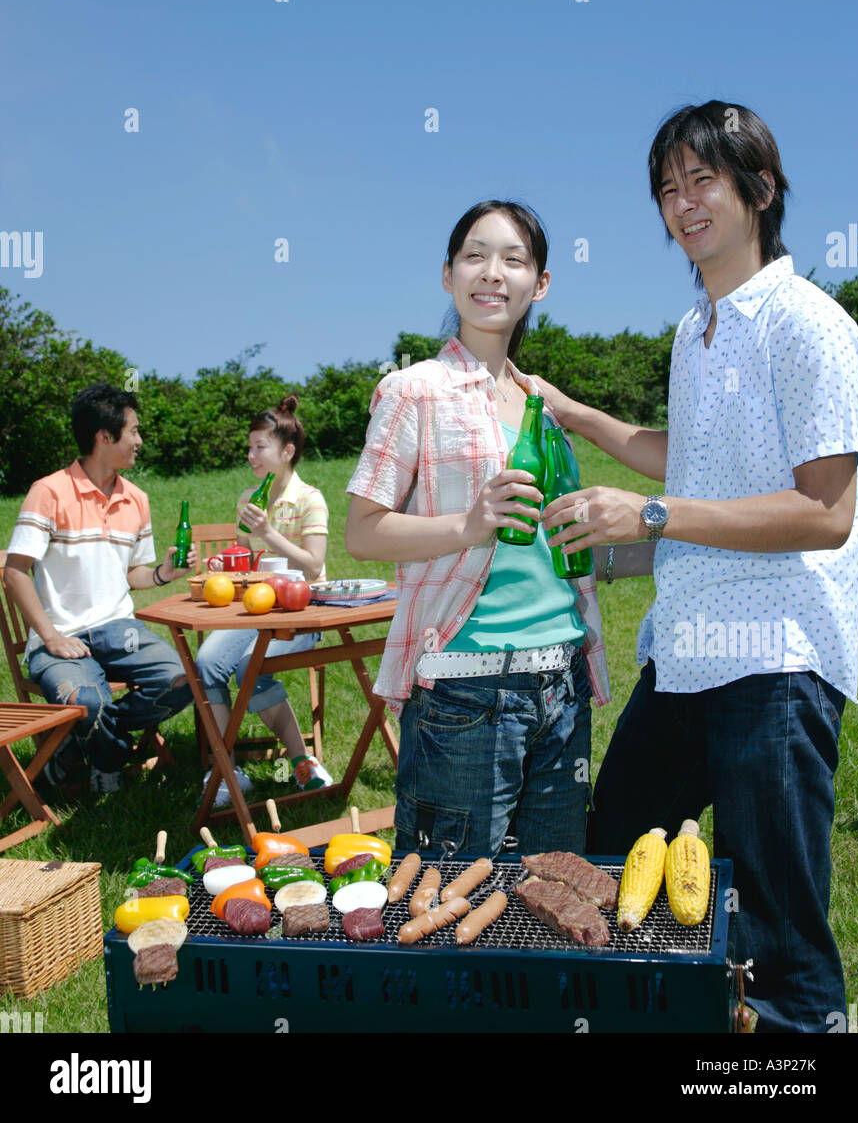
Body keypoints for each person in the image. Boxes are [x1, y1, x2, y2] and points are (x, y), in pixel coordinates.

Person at [535, 100, 858, 1033]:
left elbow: (824, 510)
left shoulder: (810, 325)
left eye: (703, 180)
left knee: (777, 925)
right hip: (685, 653)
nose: (683, 203)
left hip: (779, 657)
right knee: (611, 859)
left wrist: (648, 514)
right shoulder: (697, 331)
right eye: (668, 188)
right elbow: (695, 458)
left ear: (758, 190)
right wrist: (581, 415)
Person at [346, 200, 650, 857]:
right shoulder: (413, 390)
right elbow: (362, 531)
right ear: (449, 275)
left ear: (539, 283)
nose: (493, 273)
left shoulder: (540, 402)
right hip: (467, 687)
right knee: (444, 902)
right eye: (475, 256)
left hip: (562, 680)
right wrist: (469, 523)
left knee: (552, 894)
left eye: (514, 260)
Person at [4, 383, 195, 794]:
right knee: (90, 702)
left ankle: (77, 743)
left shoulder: (136, 499)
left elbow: (133, 575)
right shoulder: (49, 492)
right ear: (103, 437)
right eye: (134, 432)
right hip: (60, 637)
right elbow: (15, 571)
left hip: (118, 630)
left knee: (183, 679)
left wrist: (162, 573)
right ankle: (107, 759)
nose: (140, 441)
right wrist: (51, 637)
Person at [195, 395, 333, 804]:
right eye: (249, 446)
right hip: (255, 610)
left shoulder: (310, 499)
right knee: (206, 662)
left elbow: (313, 566)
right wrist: (227, 563)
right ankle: (228, 772)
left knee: (247, 665)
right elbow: (246, 563)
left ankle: (301, 761)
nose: (251, 454)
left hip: (301, 613)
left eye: (260, 446)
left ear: (287, 451)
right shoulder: (248, 497)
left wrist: (270, 533)